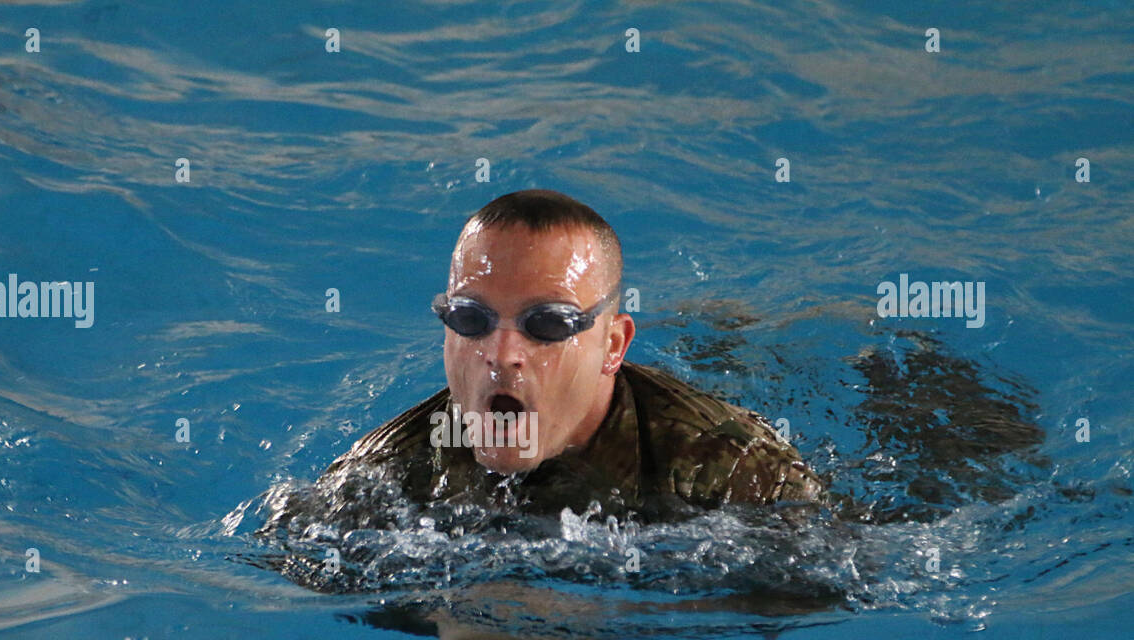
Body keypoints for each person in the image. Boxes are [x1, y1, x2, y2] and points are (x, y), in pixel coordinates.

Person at [264, 189, 825, 531]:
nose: (502, 356)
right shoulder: (389, 473)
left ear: (613, 345)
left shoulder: (733, 468)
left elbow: (819, 598)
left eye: (547, 325)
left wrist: (597, 616)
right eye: (471, 320)